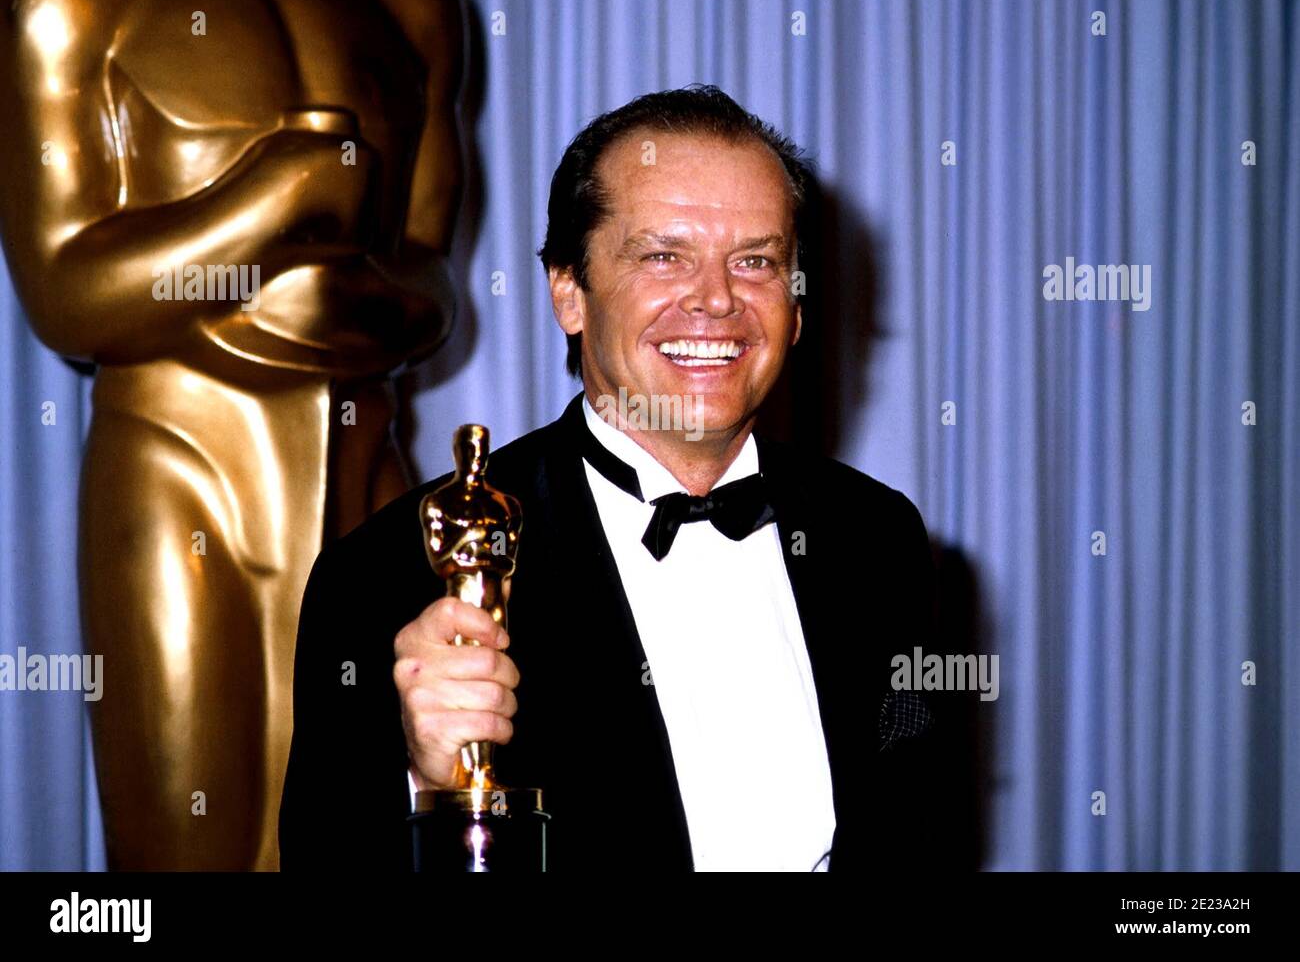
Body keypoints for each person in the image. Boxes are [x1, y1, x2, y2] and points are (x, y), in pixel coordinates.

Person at [279, 85, 945, 872]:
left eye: (756, 260)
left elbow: (917, 835)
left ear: (797, 308)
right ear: (568, 290)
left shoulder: (879, 538)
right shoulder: (391, 576)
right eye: (663, 255)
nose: (717, 300)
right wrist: (430, 786)